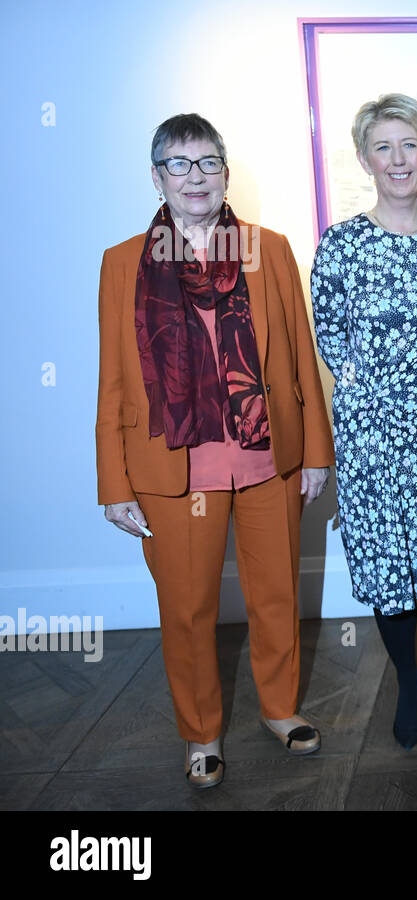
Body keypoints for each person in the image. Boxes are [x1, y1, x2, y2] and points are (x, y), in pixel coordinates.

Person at [96, 114, 333, 789]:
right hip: (175, 470)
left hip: (265, 460)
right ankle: (201, 734)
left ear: (226, 174)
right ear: (157, 177)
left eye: (208, 163)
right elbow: (113, 378)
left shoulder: (270, 250)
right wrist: (114, 482)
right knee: (188, 608)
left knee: (276, 594)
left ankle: (281, 709)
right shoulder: (121, 264)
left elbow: (298, 359)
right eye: (180, 163)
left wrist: (315, 451)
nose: (195, 176)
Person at [311, 93, 417, 749]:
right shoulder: (343, 244)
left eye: (409, 144)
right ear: (364, 159)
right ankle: (409, 681)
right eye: (383, 146)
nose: (398, 158)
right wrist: (376, 400)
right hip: (371, 436)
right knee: (386, 568)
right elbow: (331, 340)